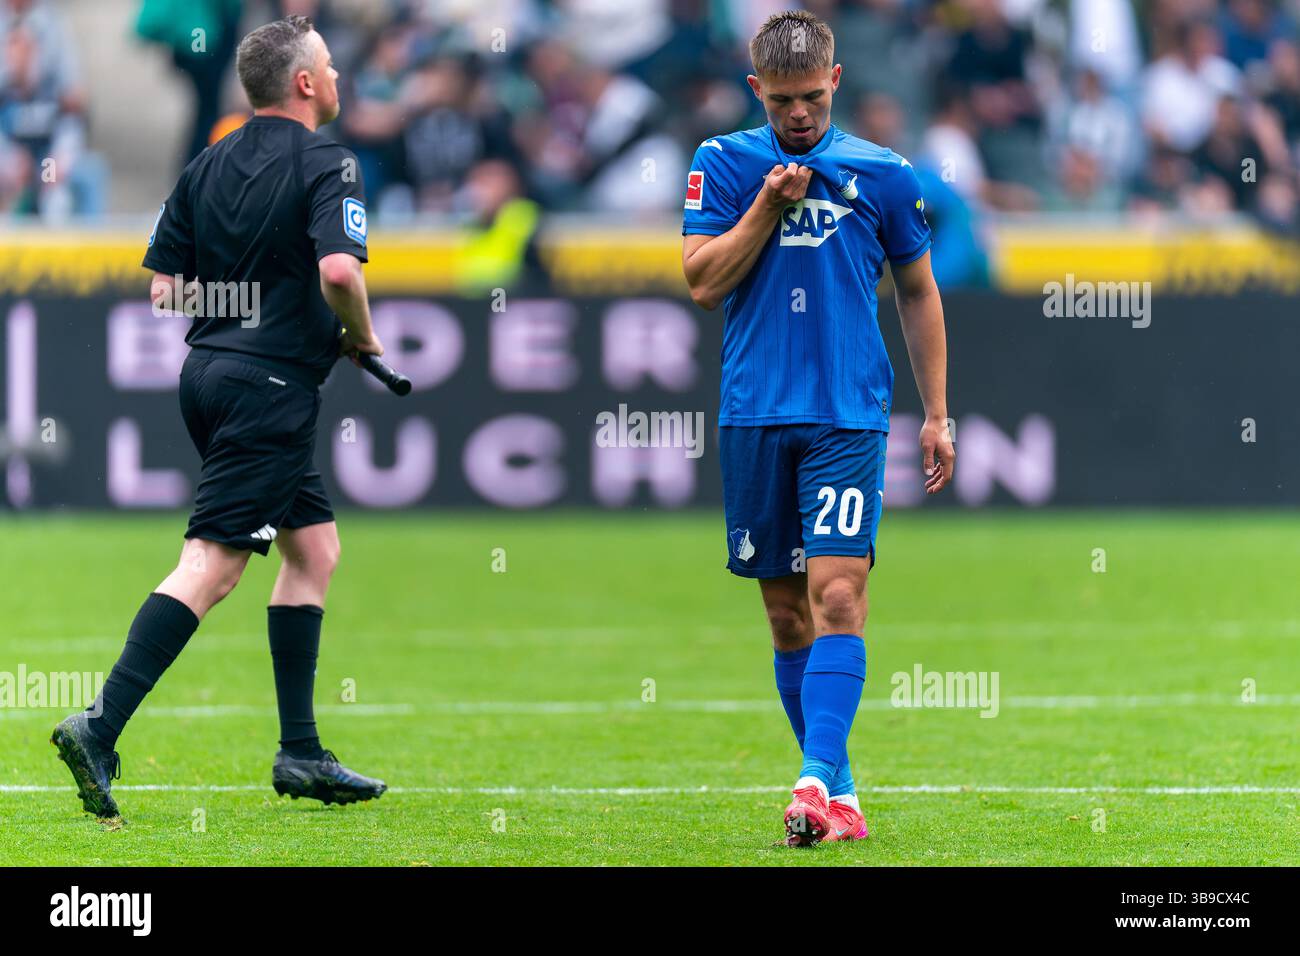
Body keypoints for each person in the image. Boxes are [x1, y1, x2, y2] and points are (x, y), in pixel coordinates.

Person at [51, 15, 387, 821]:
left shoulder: (210, 158)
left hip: (208, 376)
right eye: (332, 68)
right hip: (270, 390)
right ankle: (99, 724)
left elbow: (166, 290)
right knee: (215, 563)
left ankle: (301, 753)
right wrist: (361, 337)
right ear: (304, 83)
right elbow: (340, 269)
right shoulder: (330, 160)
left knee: (314, 549)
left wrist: (253, 312)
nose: (340, 79)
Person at [680, 9, 954, 846]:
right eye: (782, 101)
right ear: (755, 89)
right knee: (785, 617)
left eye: (812, 98)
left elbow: (917, 290)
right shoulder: (723, 163)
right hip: (756, 412)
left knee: (838, 594)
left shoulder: (885, 174)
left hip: (847, 414)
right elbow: (701, 282)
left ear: (835, 83)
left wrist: (937, 411)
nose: (799, 115)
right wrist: (767, 208)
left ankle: (808, 778)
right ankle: (841, 794)